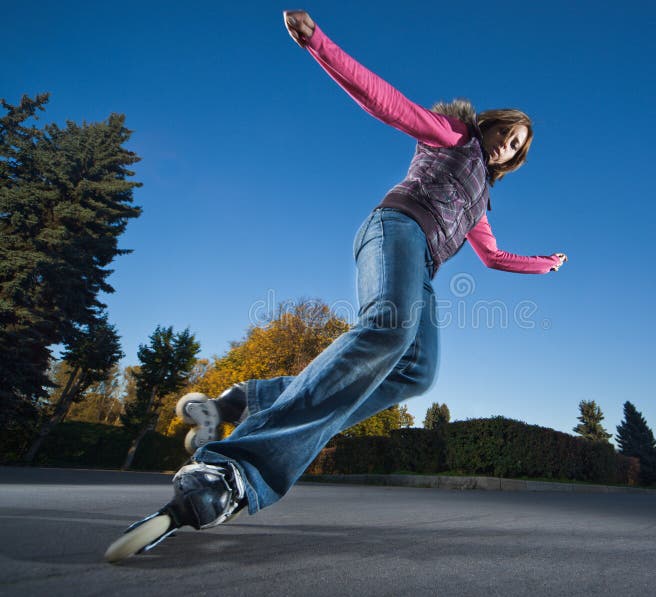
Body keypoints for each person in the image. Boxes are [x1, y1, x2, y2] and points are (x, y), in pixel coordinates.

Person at [105, 9, 568, 562]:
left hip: (423, 264)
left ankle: (240, 401)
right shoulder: (455, 137)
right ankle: (230, 470)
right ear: (488, 126)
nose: (505, 146)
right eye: (504, 134)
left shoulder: (480, 204)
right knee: (388, 331)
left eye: (516, 146)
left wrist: (545, 265)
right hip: (396, 227)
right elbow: (390, 103)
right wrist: (319, 44)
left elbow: (492, 257)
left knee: (415, 372)